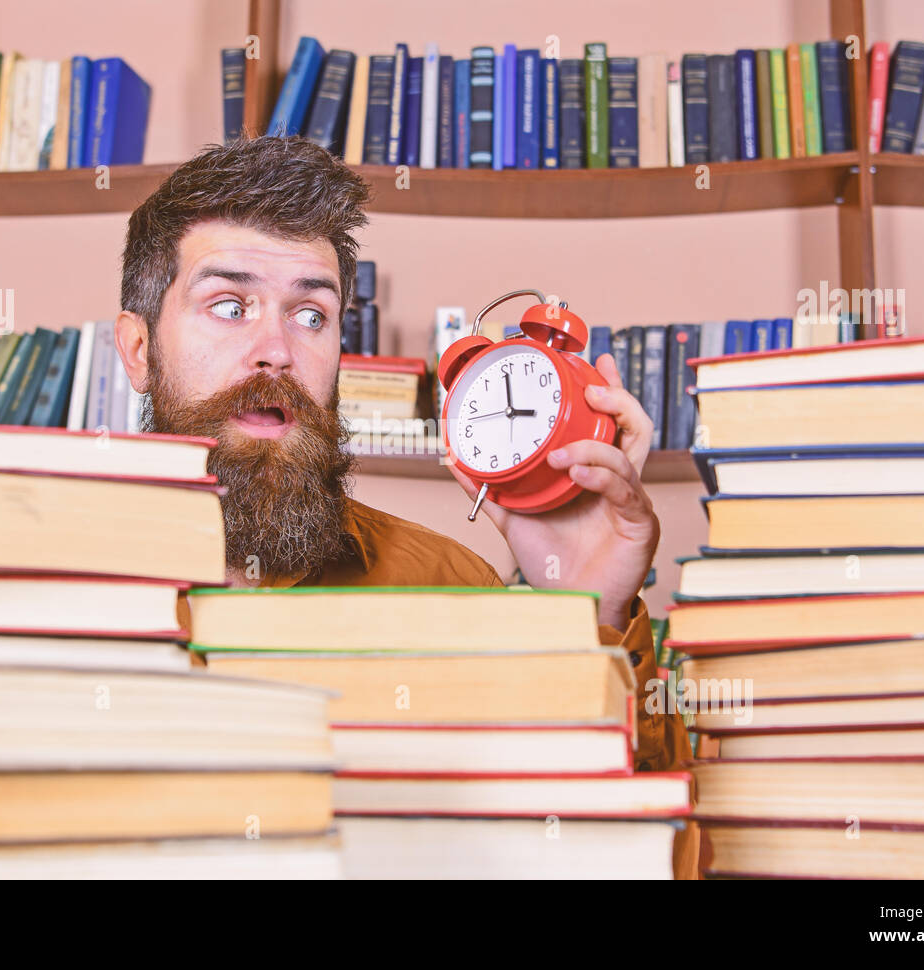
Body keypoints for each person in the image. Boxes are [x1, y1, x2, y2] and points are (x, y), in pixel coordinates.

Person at [114, 136, 695, 876]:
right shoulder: (21, 591)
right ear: (137, 350)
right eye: (229, 306)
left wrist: (587, 615)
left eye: (312, 315)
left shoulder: (458, 588)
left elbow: (632, 857)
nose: (277, 350)